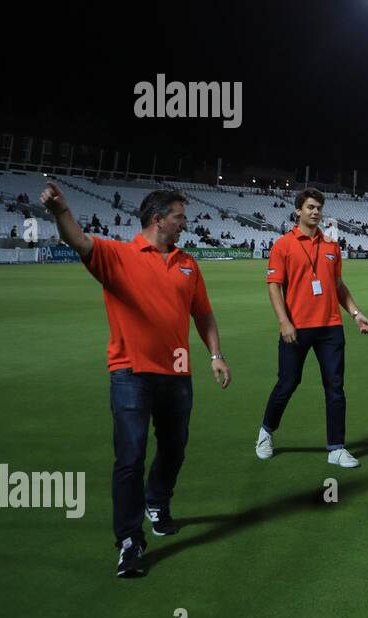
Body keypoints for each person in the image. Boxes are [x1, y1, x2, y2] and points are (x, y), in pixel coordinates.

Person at [39, 181, 230, 578]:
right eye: (179, 217)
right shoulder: (118, 255)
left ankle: (157, 501)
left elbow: (204, 314)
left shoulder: (188, 263)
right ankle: (129, 540)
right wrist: (61, 211)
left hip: (177, 372)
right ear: (158, 220)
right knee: (129, 458)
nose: (185, 223)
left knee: (175, 449)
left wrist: (215, 355)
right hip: (130, 373)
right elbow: (79, 241)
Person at [256, 188, 368, 467]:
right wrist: (284, 321)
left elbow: (338, 285)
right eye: (310, 207)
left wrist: (356, 313)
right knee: (287, 383)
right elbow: (274, 286)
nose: (315, 212)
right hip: (296, 327)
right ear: (298, 211)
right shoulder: (283, 245)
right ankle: (266, 432)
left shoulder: (332, 246)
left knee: (335, 387)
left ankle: (336, 448)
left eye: (319, 207)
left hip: (331, 327)